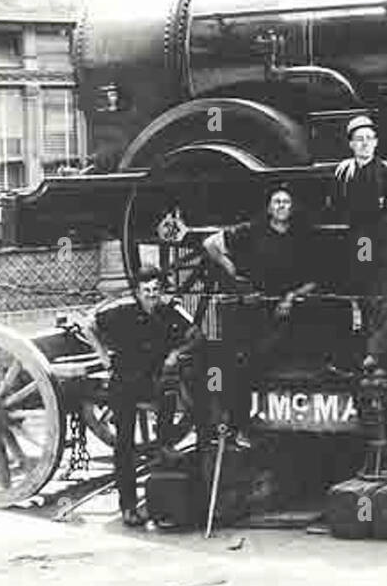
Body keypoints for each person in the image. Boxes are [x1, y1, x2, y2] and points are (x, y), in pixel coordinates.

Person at [85, 265, 203, 527]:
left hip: (152, 381)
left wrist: (176, 354)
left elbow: (195, 335)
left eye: (155, 290)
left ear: (161, 291)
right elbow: (89, 325)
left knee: (169, 389)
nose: (151, 294)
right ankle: (128, 507)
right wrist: (104, 358)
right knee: (124, 444)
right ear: (137, 293)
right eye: (146, 290)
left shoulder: (167, 312)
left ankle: (163, 445)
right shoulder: (122, 313)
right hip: (124, 383)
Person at [202, 185, 320, 434]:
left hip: (289, 308)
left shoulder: (302, 236)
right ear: (269, 207)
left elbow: (314, 279)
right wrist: (231, 269)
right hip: (256, 308)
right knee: (246, 363)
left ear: (292, 208)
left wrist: (291, 297)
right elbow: (210, 243)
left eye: (286, 202)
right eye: (276, 202)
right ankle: (239, 426)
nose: (281, 206)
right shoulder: (252, 230)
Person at [330, 115, 387, 357]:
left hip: (382, 244)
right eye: (359, 139)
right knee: (359, 300)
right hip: (354, 243)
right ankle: (360, 353)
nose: (364, 144)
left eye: (369, 139)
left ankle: (378, 358)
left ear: (376, 142)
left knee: (381, 300)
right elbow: (335, 205)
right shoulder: (342, 171)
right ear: (351, 144)